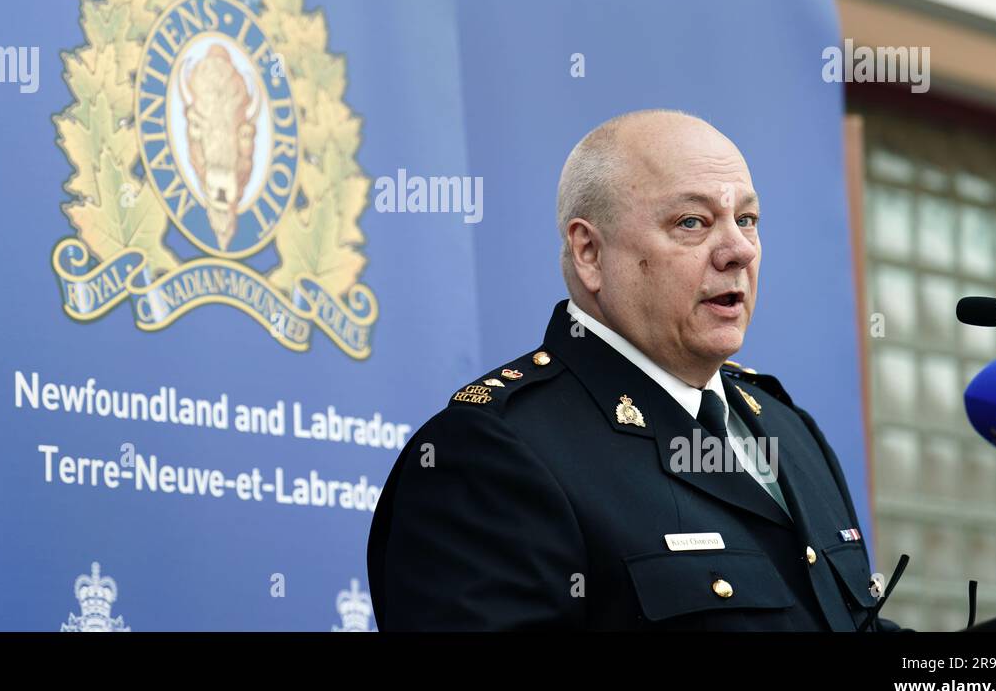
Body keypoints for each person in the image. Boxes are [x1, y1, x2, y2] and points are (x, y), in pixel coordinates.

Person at [367, 109, 906, 630]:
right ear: (589, 253)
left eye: (747, 220)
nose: (739, 250)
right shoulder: (491, 454)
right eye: (692, 222)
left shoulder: (789, 429)